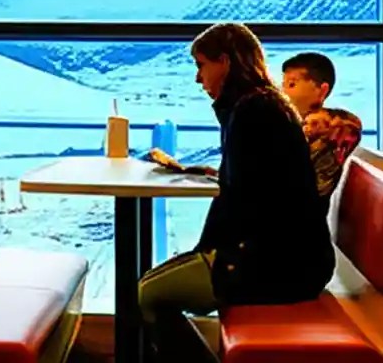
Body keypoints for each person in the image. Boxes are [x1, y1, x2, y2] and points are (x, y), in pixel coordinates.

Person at [138, 23, 335, 363]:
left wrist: (208, 258)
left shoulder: (251, 112)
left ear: (225, 63)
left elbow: (243, 204)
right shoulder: (262, 105)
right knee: (154, 284)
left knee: (148, 293)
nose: (199, 79)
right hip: (297, 256)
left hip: (278, 264)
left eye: (201, 66)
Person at [280, 52, 364, 204]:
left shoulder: (338, 127)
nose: (283, 92)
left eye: (292, 84)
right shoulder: (290, 123)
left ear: (321, 90)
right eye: (283, 85)